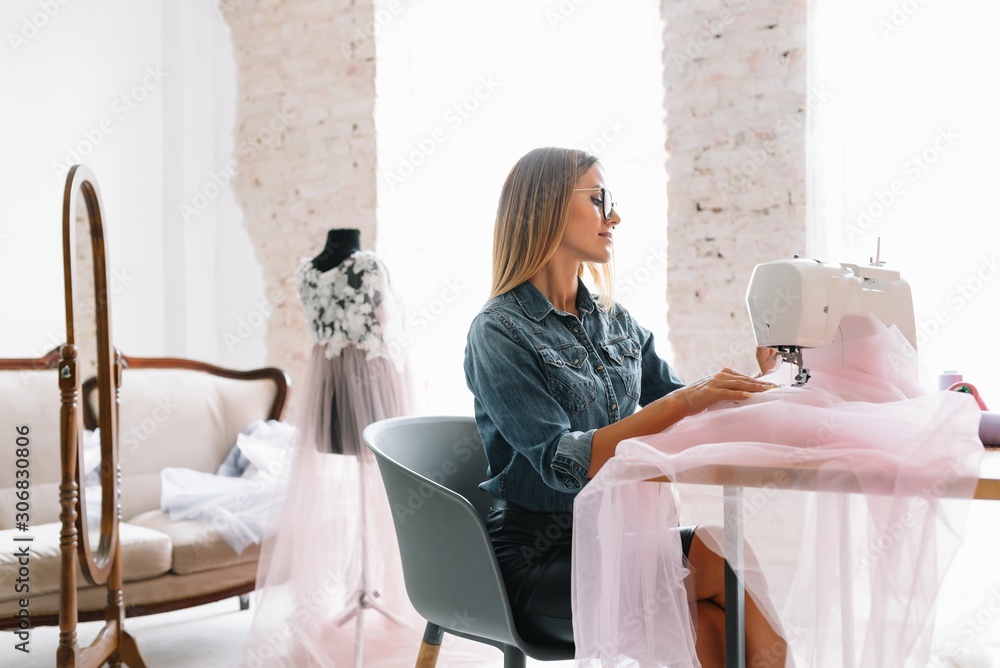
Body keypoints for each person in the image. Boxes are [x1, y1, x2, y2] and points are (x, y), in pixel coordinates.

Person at [463, 146, 788, 666]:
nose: (614, 216)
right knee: (710, 595)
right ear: (545, 207)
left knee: (717, 608)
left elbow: (690, 411)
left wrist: (765, 380)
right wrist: (686, 399)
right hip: (539, 560)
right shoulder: (498, 331)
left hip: (614, 541)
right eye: (598, 199)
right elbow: (567, 463)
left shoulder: (616, 321)